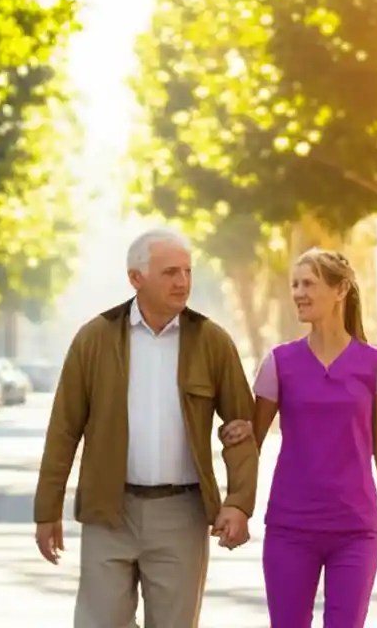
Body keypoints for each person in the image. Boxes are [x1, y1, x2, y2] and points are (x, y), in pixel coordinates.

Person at [34, 227, 260, 628]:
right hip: (109, 511)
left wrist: (239, 501)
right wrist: (47, 509)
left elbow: (241, 428)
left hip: (182, 514)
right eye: (170, 272)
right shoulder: (95, 339)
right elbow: (64, 430)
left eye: (188, 271)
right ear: (135, 278)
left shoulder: (212, 341)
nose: (182, 282)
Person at [219, 247, 377, 628]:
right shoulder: (279, 362)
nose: (298, 292)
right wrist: (236, 497)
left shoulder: (375, 365)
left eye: (309, 283)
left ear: (340, 291)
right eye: (295, 284)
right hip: (291, 528)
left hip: (355, 530)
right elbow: (250, 441)